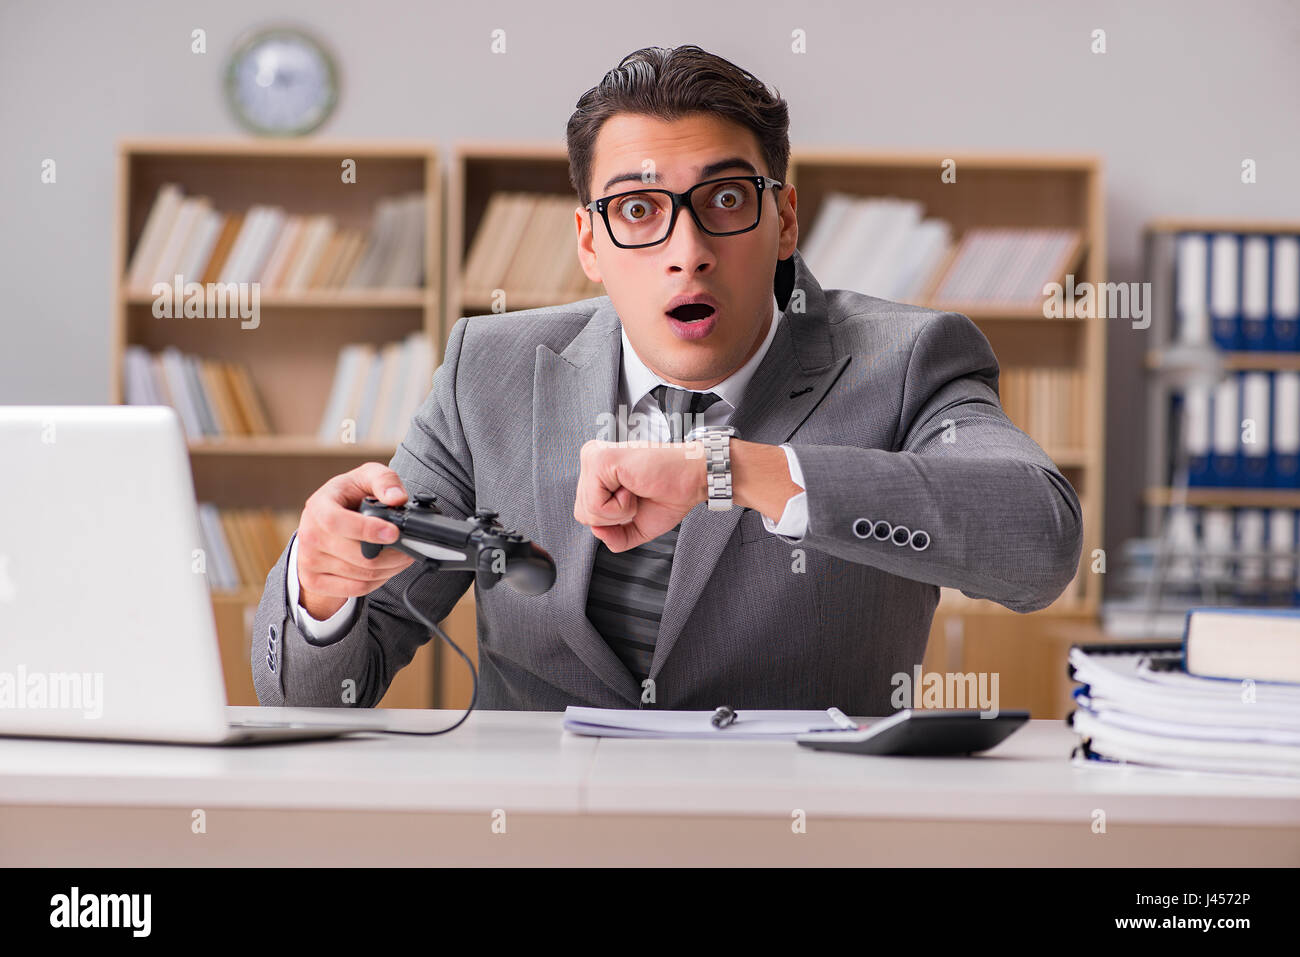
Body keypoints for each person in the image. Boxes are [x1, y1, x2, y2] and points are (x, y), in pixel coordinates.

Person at [251, 44, 1083, 713]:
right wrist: (321, 593)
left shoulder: (906, 360)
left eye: (724, 198)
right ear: (589, 241)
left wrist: (729, 469)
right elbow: (313, 694)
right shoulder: (488, 373)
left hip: (801, 834)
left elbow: (1038, 543)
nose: (687, 250)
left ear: (784, 219)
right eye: (639, 210)